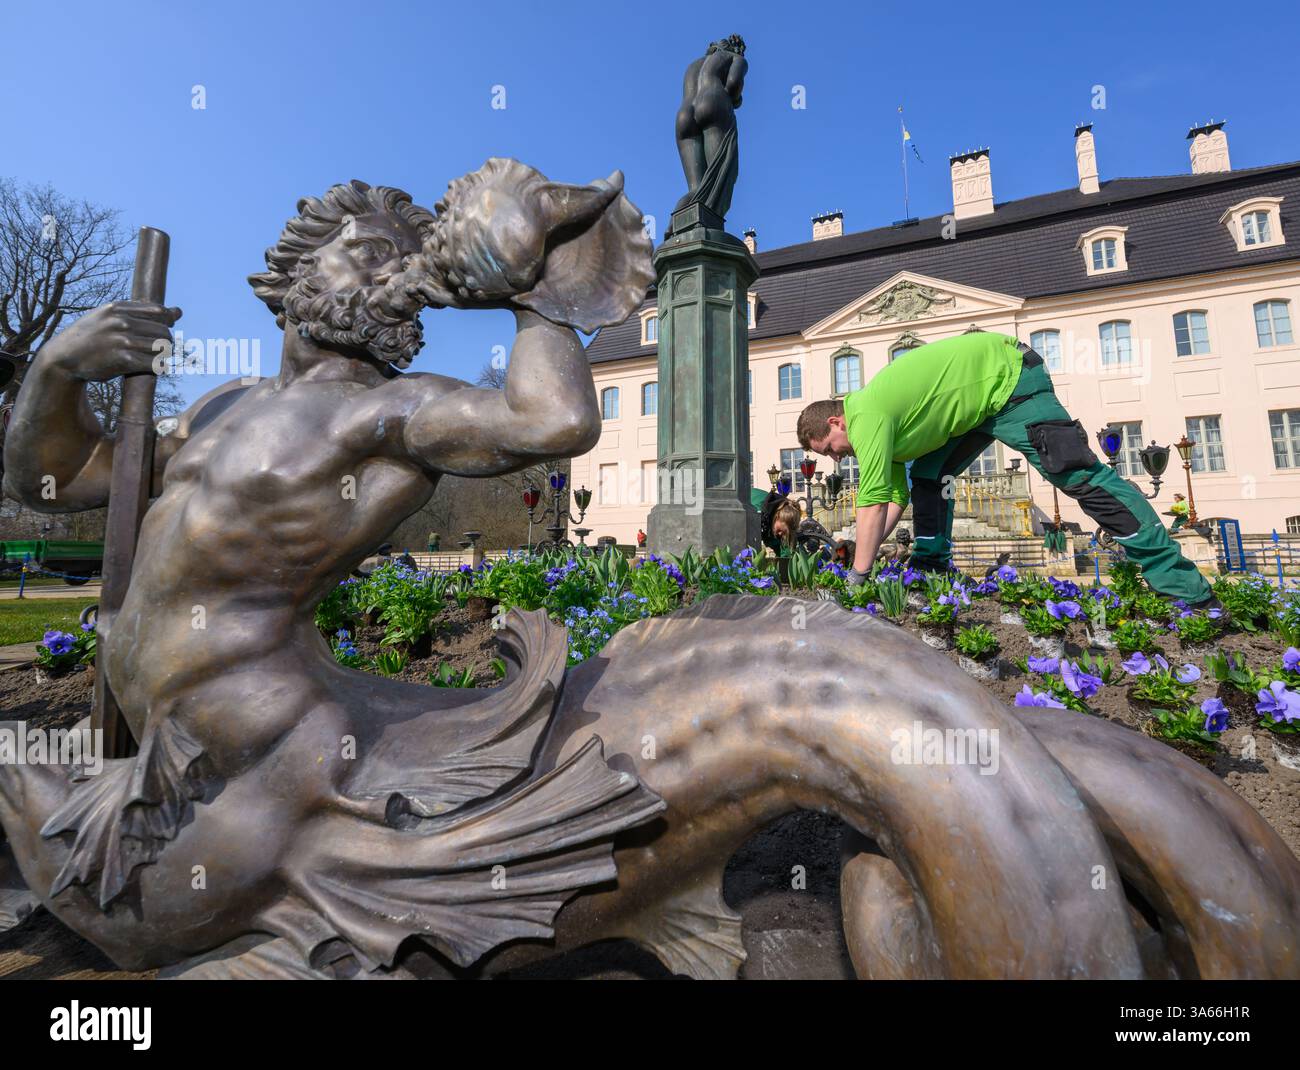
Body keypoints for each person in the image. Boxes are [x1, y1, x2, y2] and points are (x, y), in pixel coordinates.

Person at [796, 331, 1213, 604]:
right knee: (927, 477)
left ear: (836, 422)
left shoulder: (867, 414)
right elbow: (891, 503)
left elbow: (869, 506)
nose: (836, 459)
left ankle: (1183, 586)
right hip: (975, 408)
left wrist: (857, 578)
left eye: (830, 448)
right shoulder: (880, 429)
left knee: (1075, 474)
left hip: (1010, 379)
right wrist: (861, 553)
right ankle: (931, 566)